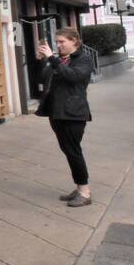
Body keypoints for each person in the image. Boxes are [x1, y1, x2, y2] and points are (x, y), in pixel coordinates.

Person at [36, 28, 95, 208]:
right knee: (68, 150)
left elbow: (73, 77)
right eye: (58, 42)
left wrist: (53, 60)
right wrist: (44, 61)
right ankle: (79, 188)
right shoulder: (61, 60)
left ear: (74, 42)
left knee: (73, 151)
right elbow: (44, 78)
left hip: (73, 114)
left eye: (62, 42)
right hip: (57, 112)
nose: (59, 45)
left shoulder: (84, 59)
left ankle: (85, 192)